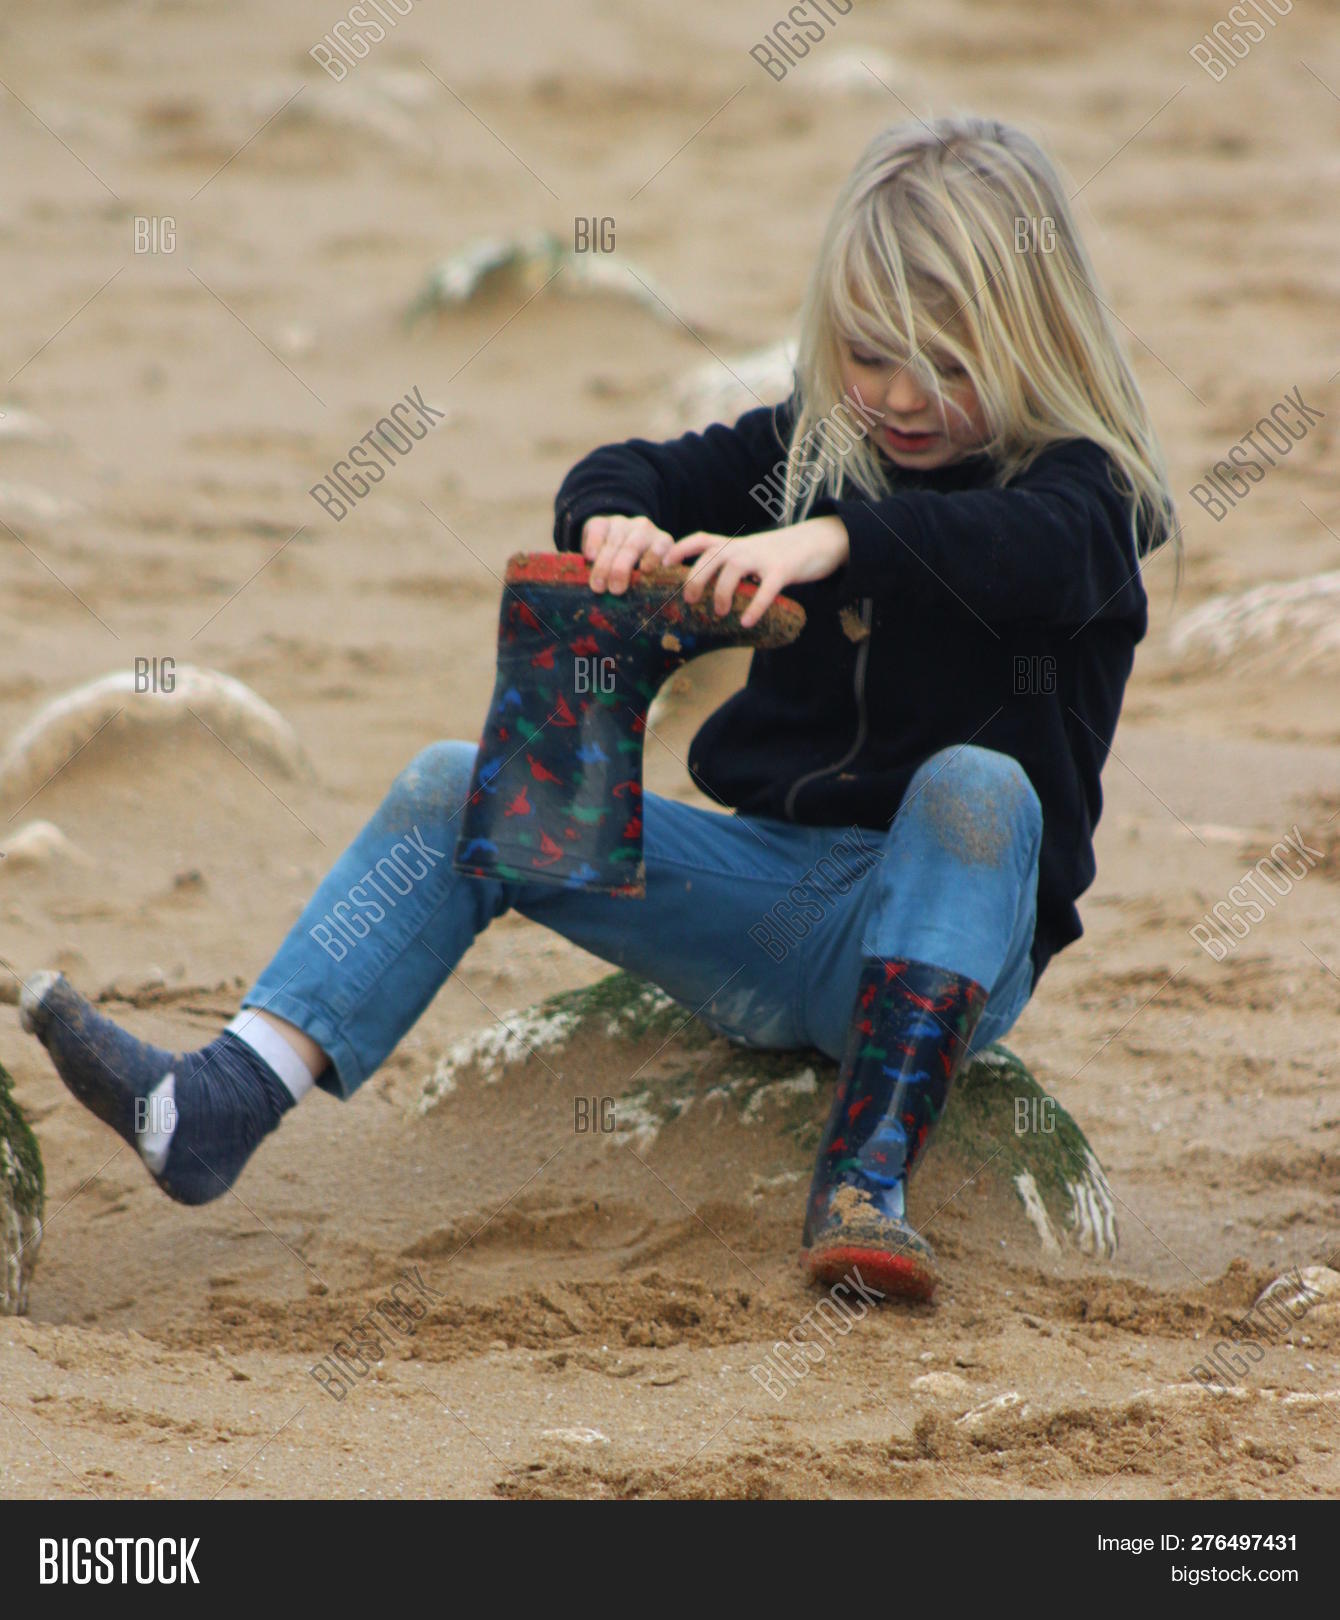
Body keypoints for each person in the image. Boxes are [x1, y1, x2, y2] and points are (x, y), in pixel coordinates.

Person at [21, 115, 1174, 1301]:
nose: (897, 398)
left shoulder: (1089, 494)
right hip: (765, 904)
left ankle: (863, 1185)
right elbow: (632, 467)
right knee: (447, 780)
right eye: (870, 358)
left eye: (947, 367)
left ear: (1036, 340)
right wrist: (609, 524)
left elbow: (1021, 554)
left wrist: (831, 541)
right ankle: (222, 1097)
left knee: (971, 788)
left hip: (944, 943)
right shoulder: (814, 447)